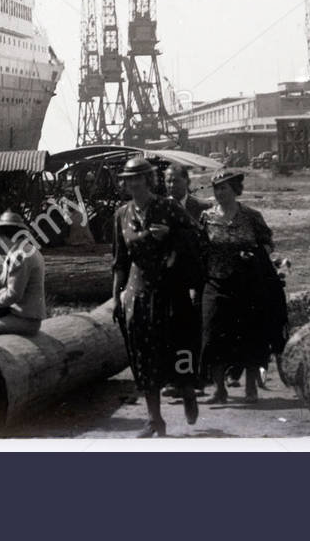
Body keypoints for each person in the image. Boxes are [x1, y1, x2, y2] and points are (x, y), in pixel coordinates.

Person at [112, 156, 202, 437]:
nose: (133, 183)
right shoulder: (121, 215)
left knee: (178, 348)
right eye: (128, 179)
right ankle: (155, 420)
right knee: (143, 356)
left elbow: (197, 235)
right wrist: (116, 296)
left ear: (148, 180)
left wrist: (171, 234)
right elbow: (120, 260)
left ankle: (188, 391)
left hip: (171, 289)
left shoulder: (168, 206)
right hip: (138, 293)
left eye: (138, 178)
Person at [198, 168, 284, 405]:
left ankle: (250, 389)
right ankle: (219, 390)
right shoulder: (207, 217)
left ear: (235, 189)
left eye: (224, 188)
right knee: (212, 335)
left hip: (248, 284)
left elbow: (268, 242)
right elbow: (201, 247)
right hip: (216, 282)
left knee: (250, 335)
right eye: (216, 189)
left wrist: (256, 255)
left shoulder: (251, 215)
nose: (219, 193)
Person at [0, 212, 47, 338]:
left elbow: (14, 294)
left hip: (24, 319)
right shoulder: (26, 249)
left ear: (3, 235)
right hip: (24, 315)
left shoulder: (20, 255)